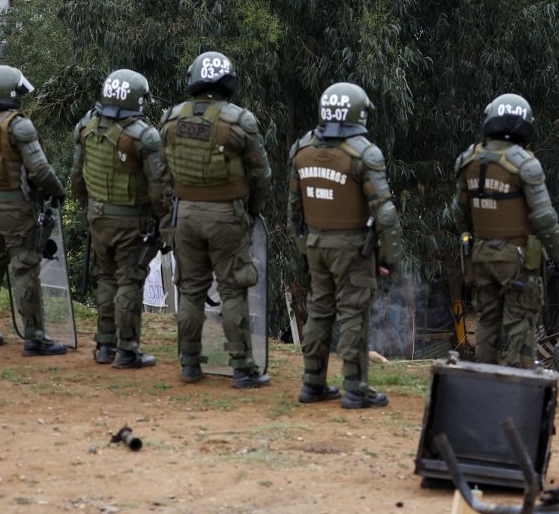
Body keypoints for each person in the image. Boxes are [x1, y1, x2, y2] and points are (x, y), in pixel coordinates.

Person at [159, 51, 272, 388]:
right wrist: (252, 210)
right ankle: (241, 368)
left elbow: (161, 173)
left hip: (186, 215)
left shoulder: (171, 119)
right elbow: (261, 175)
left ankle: (190, 365)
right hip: (226, 216)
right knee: (232, 289)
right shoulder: (240, 121)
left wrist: (169, 213)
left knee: (190, 291)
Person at [288, 82, 403, 408]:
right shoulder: (364, 153)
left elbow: (293, 209)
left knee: (320, 311)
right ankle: (355, 388)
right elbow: (385, 211)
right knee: (354, 315)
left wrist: (303, 249)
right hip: (353, 248)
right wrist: (389, 256)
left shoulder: (302, 149)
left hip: (316, 244)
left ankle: (312, 383)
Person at [451, 93, 559, 368]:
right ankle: (518, 383)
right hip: (517, 260)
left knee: (487, 321)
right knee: (520, 325)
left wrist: (471, 238)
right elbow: (544, 217)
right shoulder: (525, 163)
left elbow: (459, 212)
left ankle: (484, 379)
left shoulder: (468, 159)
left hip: (479, 256)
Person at [70, 69, 170, 369]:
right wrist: (166, 221)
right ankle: (127, 349)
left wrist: (87, 209)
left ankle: (104, 345)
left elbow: (77, 177)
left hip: (97, 217)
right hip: (131, 222)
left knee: (106, 278)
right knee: (130, 280)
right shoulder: (144, 136)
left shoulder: (85, 127)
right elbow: (158, 188)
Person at [0, 65, 67, 355]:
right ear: (8, 92)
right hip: (14, 208)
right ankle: (35, 337)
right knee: (24, 268)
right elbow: (40, 169)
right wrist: (56, 191)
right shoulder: (17, 125)